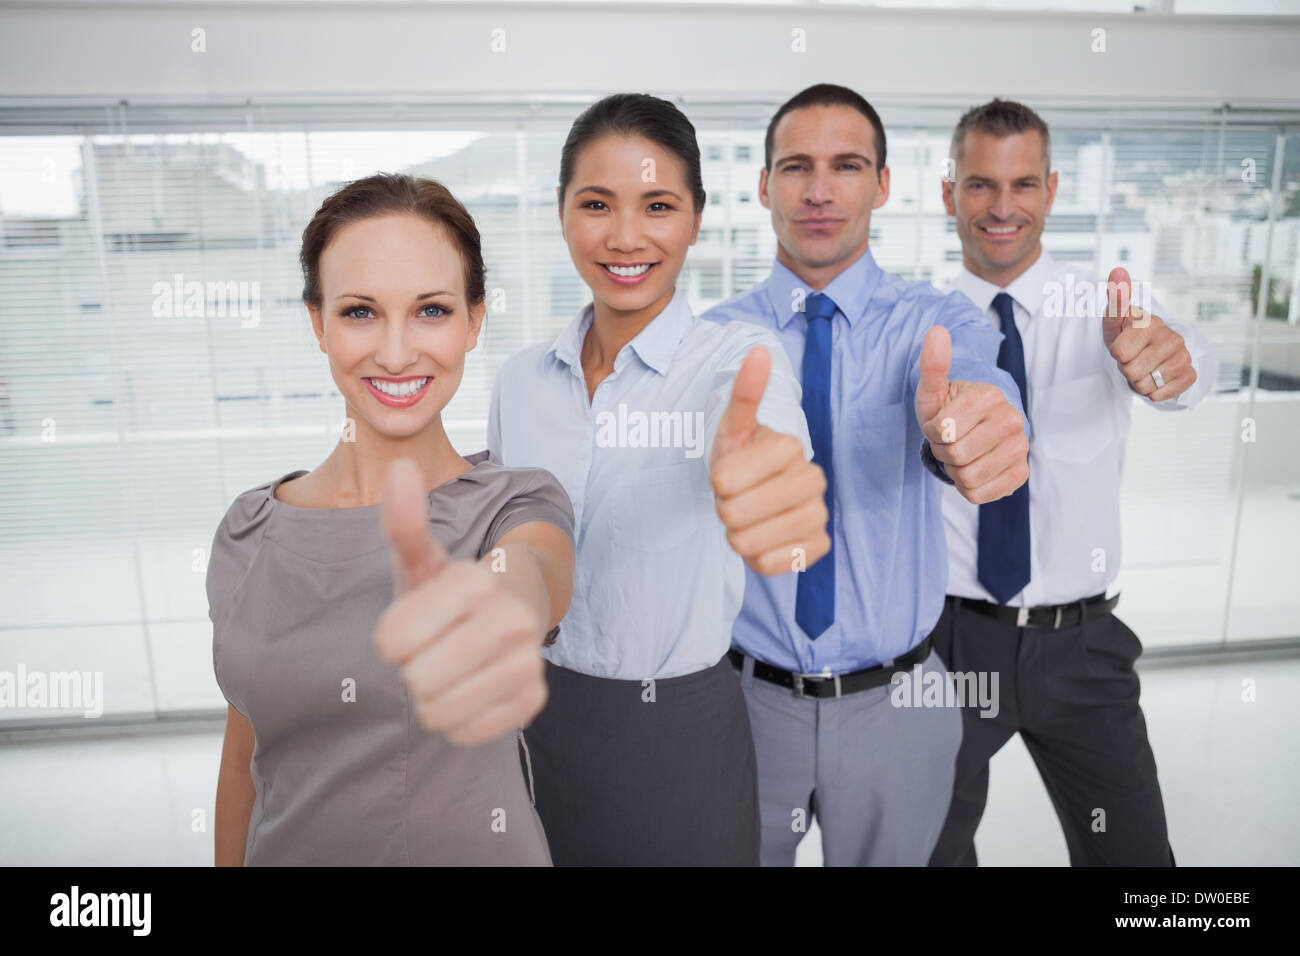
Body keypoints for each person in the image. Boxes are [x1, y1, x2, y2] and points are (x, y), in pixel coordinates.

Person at [488, 93, 830, 866]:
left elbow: (766, 435)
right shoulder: (519, 382)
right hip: (534, 715)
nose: (625, 236)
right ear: (562, 211)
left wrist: (770, 476)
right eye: (597, 204)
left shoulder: (737, 361)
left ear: (697, 218)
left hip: (679, 723)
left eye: (658, 205)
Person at [703, 83, 1030, 866]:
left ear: (882, 184)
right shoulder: (708, 343)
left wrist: (975, 426)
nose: (819, 191)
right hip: (744, 703)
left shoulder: (939, 322)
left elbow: (982, 385)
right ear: (764, 185)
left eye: (846, 166)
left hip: (901, 703)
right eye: (796, 167)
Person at [208, 173, 576, 866]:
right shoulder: (247, 532)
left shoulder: (516, 502)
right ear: (317, 323)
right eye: (360, 312)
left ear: (474, 320)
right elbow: (243, 761)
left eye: (431, 310)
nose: (398, 351)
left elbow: (532, 571)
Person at [928, 99, 1215, 867]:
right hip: (951, 646)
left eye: (1023, 184)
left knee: (1138, 863)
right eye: (980, 184)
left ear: (1052, 191)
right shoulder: (917, 323)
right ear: (947, 191)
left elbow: (1192, 364)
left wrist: (1176, 365)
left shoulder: (1109, 309)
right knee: (927, 853)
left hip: (1083, 646)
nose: (1002, 206)